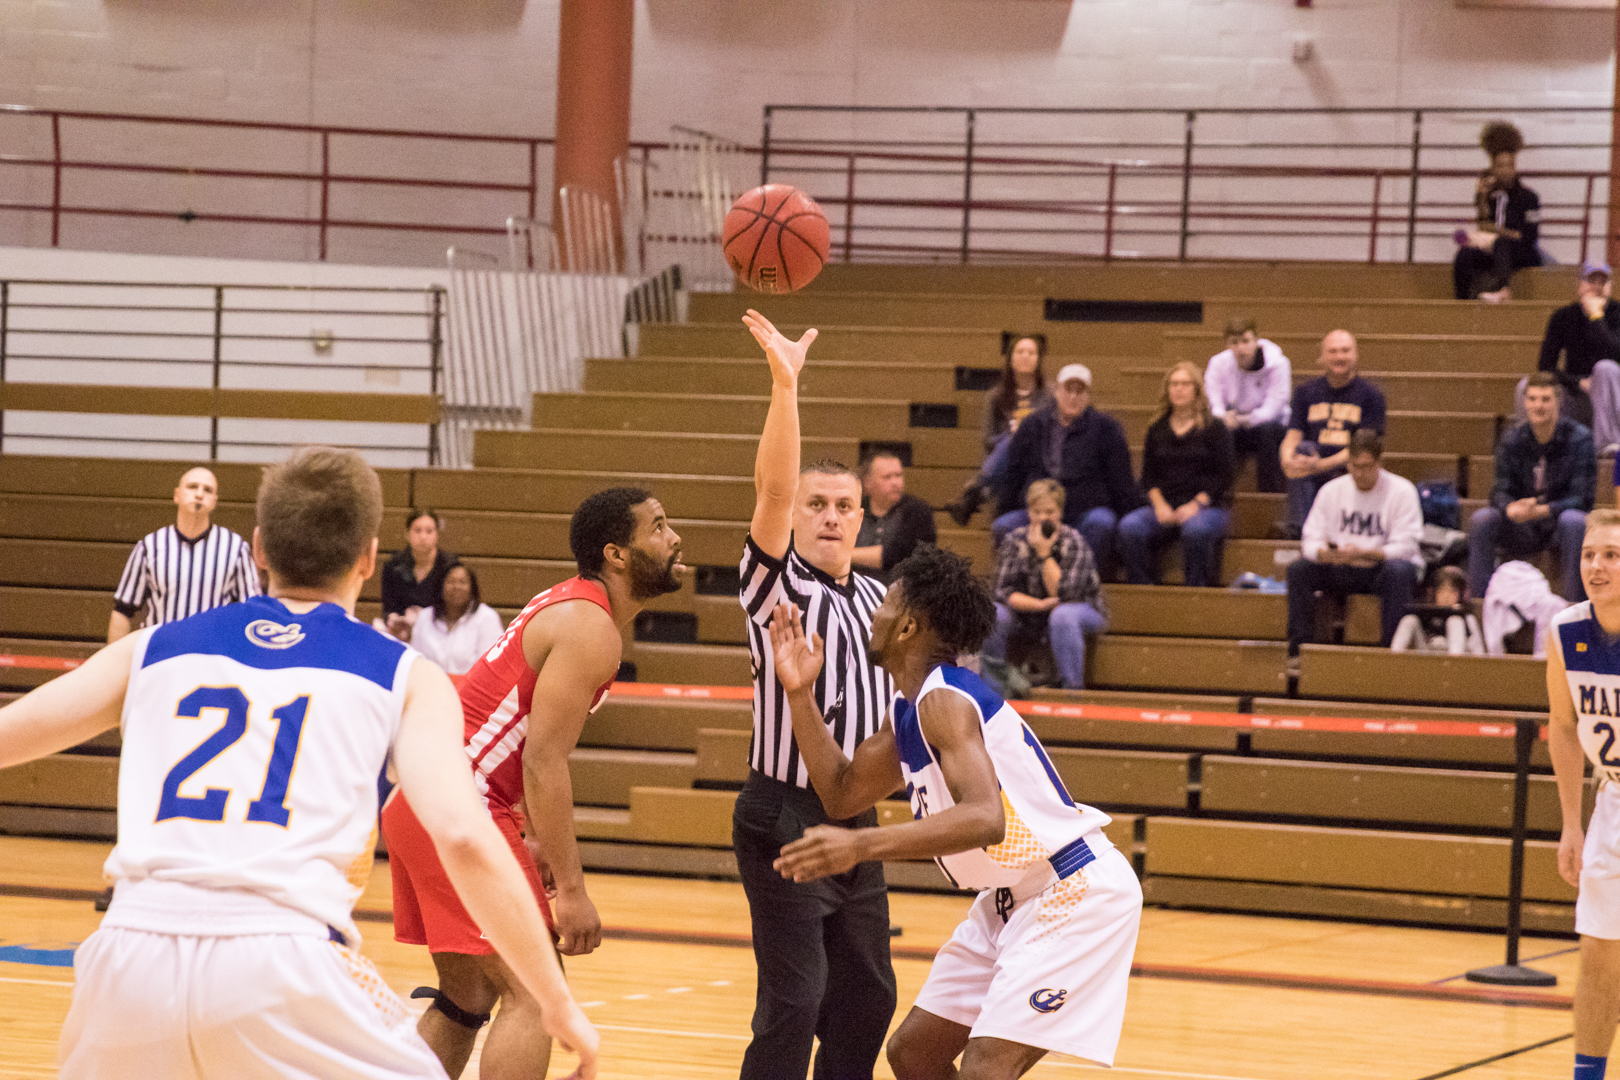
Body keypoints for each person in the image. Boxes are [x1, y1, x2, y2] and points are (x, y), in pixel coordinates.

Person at [0, 446, 596, 1079]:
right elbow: (464, 837)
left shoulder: (153, 648)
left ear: (258, 548)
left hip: (127, 960)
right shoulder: (404, 675)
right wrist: (555, 1001)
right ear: (369, 557)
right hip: (284, 960)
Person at [766, 544, 1142, 1077]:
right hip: (1009, 900)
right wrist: (800, 694)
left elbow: (986, 819)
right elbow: (842, 793)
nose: (876, 611)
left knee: (987, 1067)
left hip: (1072, 890)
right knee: (915, 1054)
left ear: (908, 627)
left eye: (888, 603)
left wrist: (861, 844)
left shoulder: (945, 700)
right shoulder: (911, 711)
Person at [382, 487, 682, 1080]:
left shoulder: (571, 607)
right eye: (658, 527)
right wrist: (571, 890)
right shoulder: (591, 626)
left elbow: (507, 742)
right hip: (457, 804)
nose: (674, 540)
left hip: (425, 800)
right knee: (539, 997)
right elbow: (545, 762)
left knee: (466, 998)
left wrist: (531, 836)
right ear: (617, 554)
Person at [734, 308, 899, 1080]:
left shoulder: (878, 598)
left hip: (854, 815)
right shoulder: (776, 583)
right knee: (797, 1001)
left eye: (844, 506)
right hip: (783, 811)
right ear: (795, 517)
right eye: (816, 504)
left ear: (861, 517)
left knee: (867, 997)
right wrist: (784, 386)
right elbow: (770, 487)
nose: (830, 516)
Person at [1549, 510, 1620, 1080]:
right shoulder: (1565, 630)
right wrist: (1572, 824)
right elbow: (1566, 726)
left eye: (1612, 555)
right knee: (1598, 958)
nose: (1597, 566)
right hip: (1613, 802)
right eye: (1589, 555)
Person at [993, 363, 1142, 570]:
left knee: (1102, 523)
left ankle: (1077, 584)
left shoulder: (1107, 429)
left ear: (1088, 395)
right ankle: (1030, 584)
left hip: (1083, 512)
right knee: (1004, 525)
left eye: (1079, 391)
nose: (1073, 397)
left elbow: (1120, 479)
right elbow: (1014, 473)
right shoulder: (1032, 425)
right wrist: (1004, 508)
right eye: (1067, 390)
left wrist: (1125, 516)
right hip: (1038, 512)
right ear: (1056, 391)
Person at [1286, 430, 1423, 651]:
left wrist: (1364, 553)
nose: (1359, 473)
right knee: (1299, 570)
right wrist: (1325, 554)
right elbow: (1310, 540)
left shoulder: (1402, 491)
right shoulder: (1331, 491)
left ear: (1379, 462)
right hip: (1342, 566)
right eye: (1354, 466)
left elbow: (1407, 547)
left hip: (1379, 569)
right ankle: (1299, 651)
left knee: (1400, 572)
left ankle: (1392, 652)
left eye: (1366, 466)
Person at [1470, 371, 1595, 604]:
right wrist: (1510, 508)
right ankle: (1480, 610)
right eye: (1533, 399)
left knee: (1574, 520)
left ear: (1558, 402)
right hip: (1521, 524)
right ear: (1525, 402)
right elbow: (1499, 490)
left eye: (1546, 399)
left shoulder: (1580, 439)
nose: (1539, 406)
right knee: (1482, 519)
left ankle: (1574, 608)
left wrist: (1541, 509)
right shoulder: (1511, 440)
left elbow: (1582, 498)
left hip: (1559, 524)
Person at [108, 465, 259, 642]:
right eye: (192, 486)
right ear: (176, 495)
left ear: (214, 502)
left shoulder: (235, 548)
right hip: (160, 656)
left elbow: (252, 612)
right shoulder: (150, 546)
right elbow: (122, 611)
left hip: (211, 657)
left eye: (208, 490)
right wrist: (117, 666)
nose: (200, 494)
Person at [983, 479, 1108, 692]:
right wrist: (1039, 605)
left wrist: (1044, 554)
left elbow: (1064, 595)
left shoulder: (1074, 542)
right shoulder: (1015, 540)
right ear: (1028, 512)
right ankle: (994, 688)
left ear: (1060, 512)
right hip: (1029, 612)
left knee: (1063, 615)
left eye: (1049, 512)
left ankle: (1072, 691)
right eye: (1036, 511)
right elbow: (1002, 591)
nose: (1042, 518)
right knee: (993, 613)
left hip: (1080, 610)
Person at [1117, 362, 1235, 588]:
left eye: (1185, 384)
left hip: (1207, 507)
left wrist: (1195, 505)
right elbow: (1148, 476)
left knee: (1196, 530)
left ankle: (1195, 595)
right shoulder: (1156, 428)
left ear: (1197, 390)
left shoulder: (1214, 428)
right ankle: (1143, 591)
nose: (1178, 389)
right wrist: (1160, 505)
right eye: (1173, 384)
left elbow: (1223, 476)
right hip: (1164, 506)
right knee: (1129, 527)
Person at [1280, 330, 1387, 536]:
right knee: (1302, 449)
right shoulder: (1305, 392)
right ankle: (1302, 533)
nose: (1339, 357)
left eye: (1345, 351)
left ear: (1355, 356)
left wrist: (1320, 466)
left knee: (1314, 459)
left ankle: (1303, 531)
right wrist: (1287, 461)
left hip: (1348, 468)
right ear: (1322, 357)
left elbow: (1364, 449)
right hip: (1311, 465)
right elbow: (1293, 435)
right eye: (1333, 351)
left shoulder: (1371, 396)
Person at [946, 333, 1051, 526]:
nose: (1026, 356)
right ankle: (982, 491)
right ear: (1011, 359)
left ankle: (977, 492)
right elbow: (987, 439)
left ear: (1038, 359)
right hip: (1008, 461)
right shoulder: (995, 396)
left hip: (1039, 458)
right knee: (1011, 440)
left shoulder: (1050, 395)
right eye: (1020, 352)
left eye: (1031, 352)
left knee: (1018, 437)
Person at [1530, 261, 1620, 453]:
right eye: (1591, 281)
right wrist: (1578, 382)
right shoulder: (1563, 316)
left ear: (1610, 287)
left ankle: (1607, 447)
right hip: (1577, 394)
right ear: (1580, 286)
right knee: (1527, 386)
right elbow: (1545, 365)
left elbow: (1615, 353)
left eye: (1602, 282)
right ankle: (1536, 448)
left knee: (1605, 368)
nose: (1596, 286)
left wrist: (1596, 317)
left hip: (1614, 398)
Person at [1453, 121, 1541, 303]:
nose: (1505, 171)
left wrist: (1500, 232)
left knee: (1502, 243)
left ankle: (1504, 290)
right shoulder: (1493, 196)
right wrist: (1482, 197)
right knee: (1464, 255)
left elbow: (1529, 237)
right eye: (1500, 166)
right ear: (1492, 167)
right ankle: (1460, 302)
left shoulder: (1530, 197)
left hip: (1523, 252)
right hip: (1496, 249)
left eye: (1509, 166)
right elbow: (1484, 226)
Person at [1204, 316, 1291, 493]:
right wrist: (1223, 418)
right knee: (1216, 430)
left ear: (1256, 340)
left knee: (1269, 431)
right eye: (1234, 342)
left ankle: (1268, 496)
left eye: (1245, 341)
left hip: (1270, 426)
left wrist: (1243, 419)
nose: (1241, 348)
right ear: (1227, 344)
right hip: (1234, 425)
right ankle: (1218, 493)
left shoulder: (1278, 363)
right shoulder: (1217, 363)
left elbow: (1273, 408)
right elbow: (1214, 402)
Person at [852, 450, 938, 585]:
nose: (895, 482)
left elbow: (896, 556)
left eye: (898, 475)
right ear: (868, 482)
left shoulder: (918, 511)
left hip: (901, 590)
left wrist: (843, 556)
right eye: (887, 477)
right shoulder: (854, 508)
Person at [407, 564, 505, 677]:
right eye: (450, 581)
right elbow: (416, 662)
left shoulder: (486, 617)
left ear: (472, 588)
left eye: (462, 582)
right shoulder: (425, 617)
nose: (456, 586)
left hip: (471, 691)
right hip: (430, 688)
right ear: (441, 586)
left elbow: (490, 667)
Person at [381, 509, 458, 638]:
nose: (423, 537)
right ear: (407, 534)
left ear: (437, 534)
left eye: (429, 531)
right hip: (403, 634)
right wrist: (394, 619)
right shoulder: (393, 566)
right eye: (417, 531)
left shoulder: (450, 567)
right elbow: (389, 608)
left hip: (441, 634)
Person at [1391, 565, 1484, 654]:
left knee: (1455, 620)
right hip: (1428, 655)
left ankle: (1454, 662)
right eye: (1442, 591)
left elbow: (1479, 651)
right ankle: (1392, 660)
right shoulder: (1426, 614)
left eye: (1452, 591)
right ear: (1434, 593)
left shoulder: (1467, 618)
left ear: (1461, 594)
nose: (1446, 596)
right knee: (1409, 619)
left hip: (1459, 660)